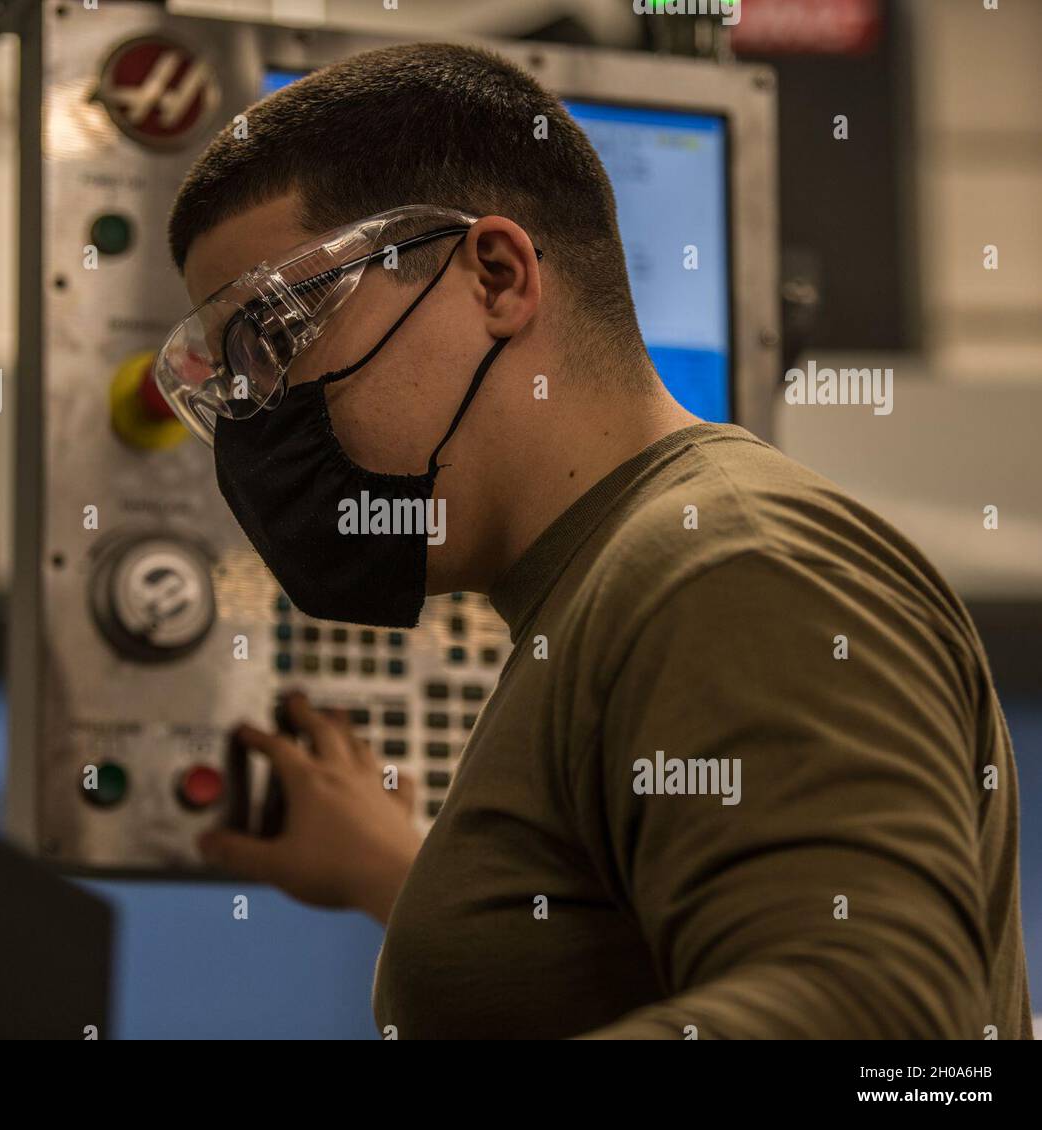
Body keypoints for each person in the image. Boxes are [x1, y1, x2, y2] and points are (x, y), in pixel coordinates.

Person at [159, 42, 1031, 1039]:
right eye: (228, 383)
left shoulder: (727, 562)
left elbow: (878, 1015)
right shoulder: (600, 586)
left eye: (278, 335)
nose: (256, 422)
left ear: (494, 275)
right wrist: (400, 875)